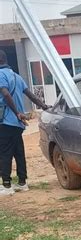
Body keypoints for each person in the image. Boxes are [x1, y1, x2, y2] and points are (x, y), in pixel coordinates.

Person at [0, 49, 49, 196]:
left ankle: (7, 185)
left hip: (6, 122)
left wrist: (17, 113)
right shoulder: (16, 76)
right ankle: (22, 182)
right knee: (18, 152)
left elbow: (5, 93)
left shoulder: (0, 76)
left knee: (4, 153)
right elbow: (31, 95)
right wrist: (44, 106)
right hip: (17, 124)